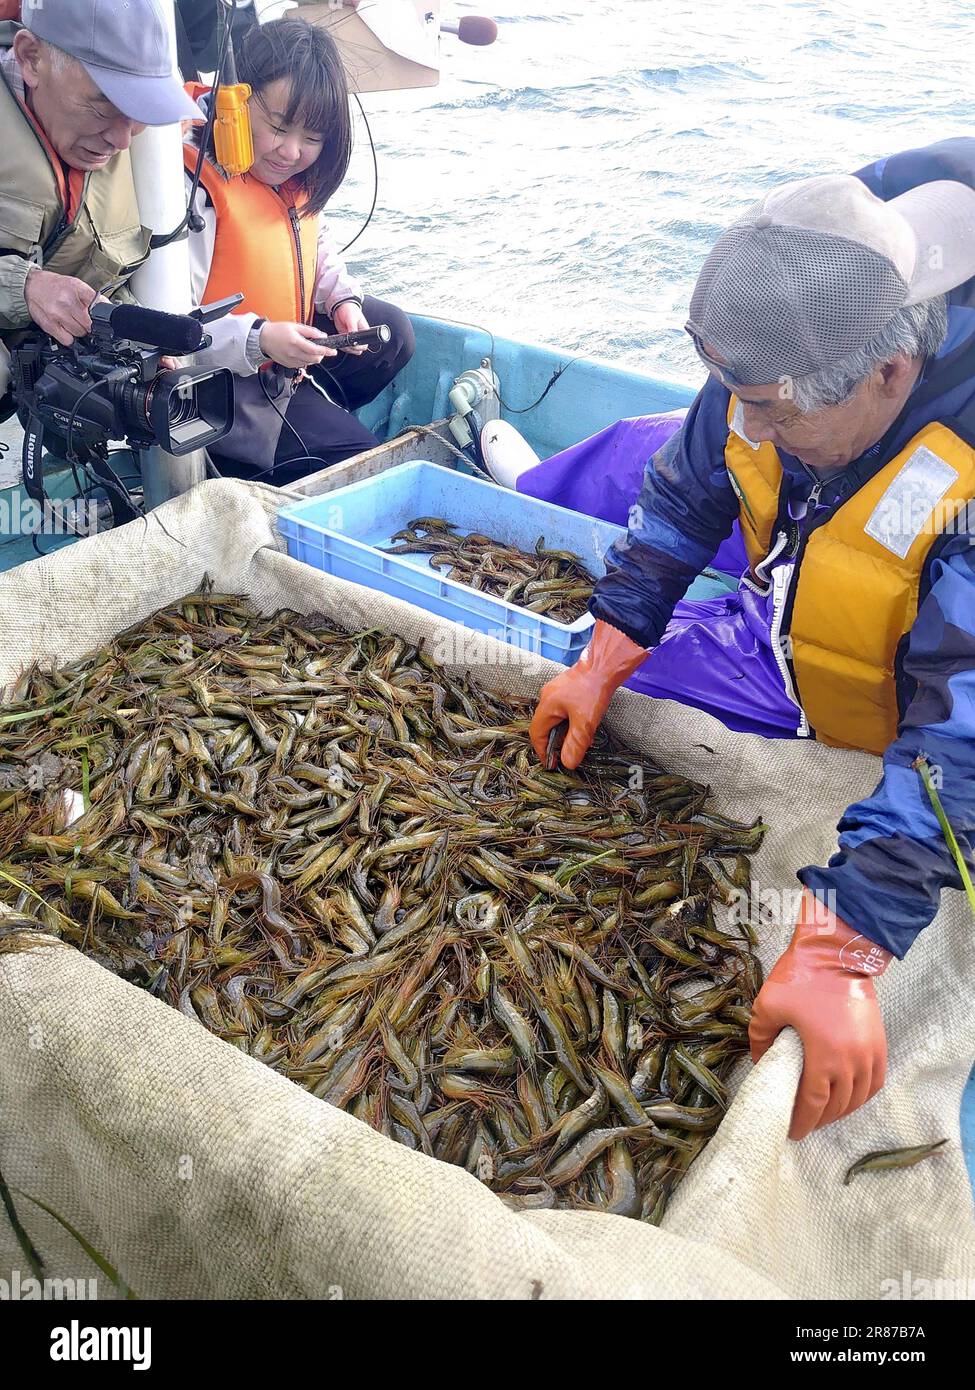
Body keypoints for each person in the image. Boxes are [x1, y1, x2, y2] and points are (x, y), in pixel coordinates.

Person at [530, 144, 975, 1141]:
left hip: (941, 692)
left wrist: (850, 941)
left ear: (891, 375)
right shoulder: (782, 348)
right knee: (639, 463)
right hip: (830, 601)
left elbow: (966, 727)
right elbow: (691, 488)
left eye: (777, 413)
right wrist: (609, 648)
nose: (753, 429)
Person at [183, 17, 415, 485]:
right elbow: (173, 327)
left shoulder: (288, 178)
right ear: (238, 97)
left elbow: (314, 244)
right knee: (360, 461)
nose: (291, 152)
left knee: (394, 335)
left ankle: (310, 426)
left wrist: (342, 300)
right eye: (279, 127)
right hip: (220, 388)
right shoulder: (195, 187)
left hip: (281, 366)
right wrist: (260, 339)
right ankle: (250, 463)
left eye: (311, 138)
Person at [0, 0, 203, 412]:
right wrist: (24, 285)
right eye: (102, 106)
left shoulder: (145, 159)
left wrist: (137, 341)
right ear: (30, 59)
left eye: (139, 114)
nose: (124, 141)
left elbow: (113, 276)